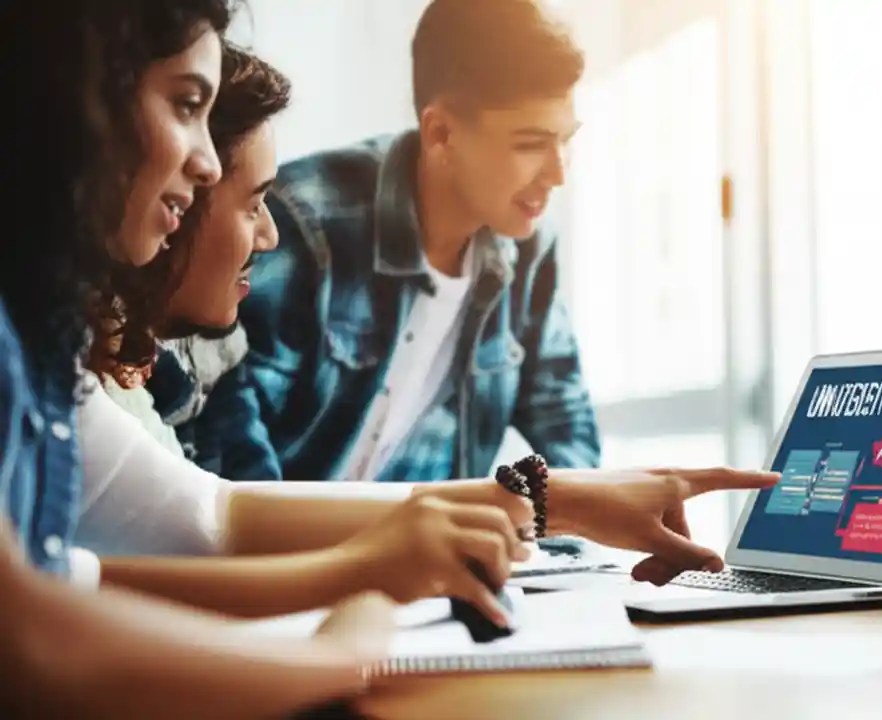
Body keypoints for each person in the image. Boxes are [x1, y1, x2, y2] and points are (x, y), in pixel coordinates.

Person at [0, 2, 391, 715]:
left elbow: (84, 579)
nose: (207, 163)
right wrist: (340, 654)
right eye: (185, 105)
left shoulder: (37, 336)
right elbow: (29, 638)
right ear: (81, 91)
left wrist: (534, 507)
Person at [202, 0, 601, 482]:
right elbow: (227, 418)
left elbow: (568, 432)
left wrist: (556, 529)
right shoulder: (303, 220)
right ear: (440, 132)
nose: (558, 174)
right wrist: (292, 550)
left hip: (423, 550)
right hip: (287, 545)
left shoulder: (531, 252)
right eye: (531, 144)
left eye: (567, 141)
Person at [89, 41, 287, 465]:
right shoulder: (69, 363)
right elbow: (211, 516)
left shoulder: (216, 349)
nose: (272, 237)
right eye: (254, 206)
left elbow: (246, 490)